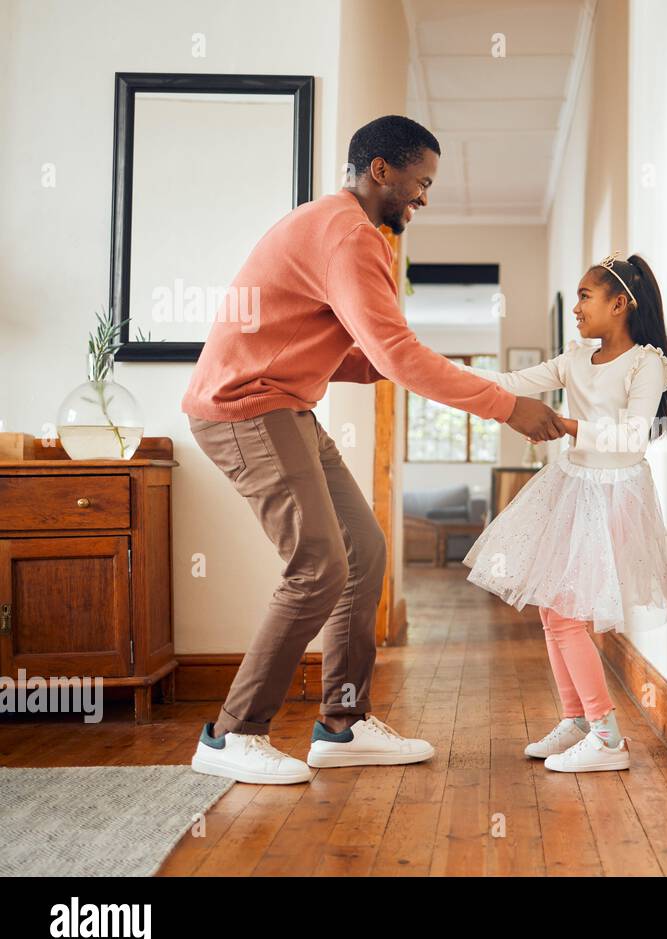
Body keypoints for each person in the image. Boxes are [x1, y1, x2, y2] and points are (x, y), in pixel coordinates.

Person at [181, 115, 566, 784]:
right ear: (381, 170)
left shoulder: (346, 231)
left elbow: (369, 355)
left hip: (285, 405)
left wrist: (467, 378)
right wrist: (506, 406)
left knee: (365, 549)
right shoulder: (349, 235)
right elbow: (398, 356)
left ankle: (343, 722)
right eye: (420, 183)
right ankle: (231, 733)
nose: (422, 198)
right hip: (245, 406)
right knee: (319, 565)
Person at [450, 252, 667, 773]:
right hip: (572, 487)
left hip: (615, 494)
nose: (577, 308)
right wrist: (443, 374)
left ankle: (607, 737)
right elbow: (511, 382)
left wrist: (566, 425)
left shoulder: (647, 363)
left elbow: (632, 435)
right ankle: (578, 722)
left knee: (567, 615)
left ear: (619, 303)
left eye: (585, 296)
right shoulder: (575, 358)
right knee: (554, 611)